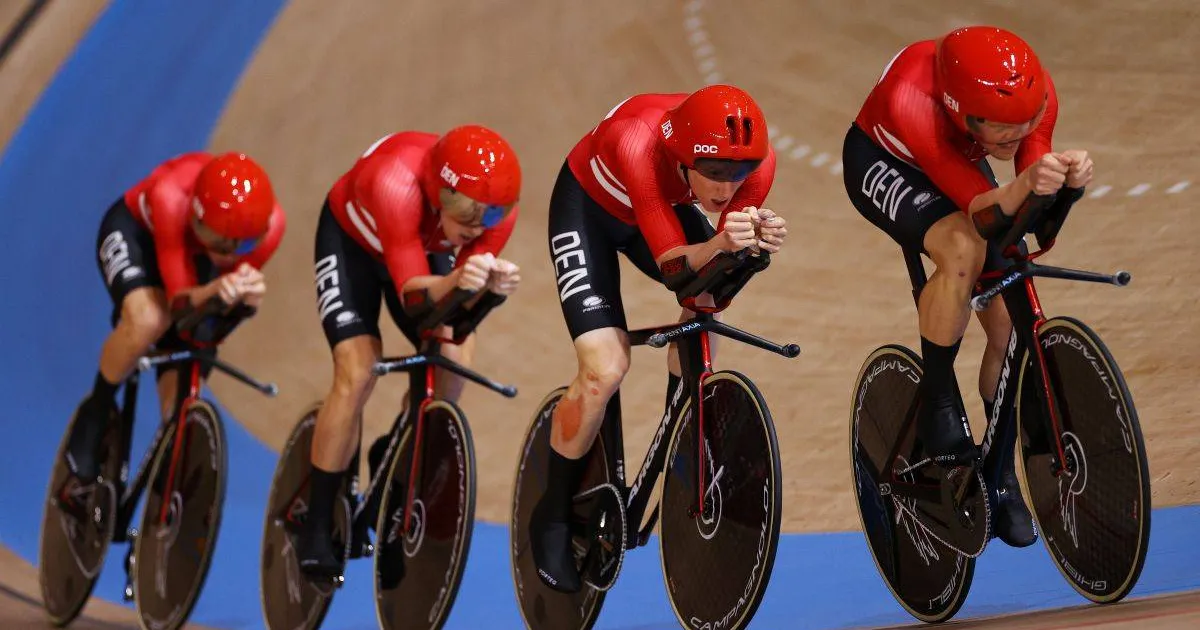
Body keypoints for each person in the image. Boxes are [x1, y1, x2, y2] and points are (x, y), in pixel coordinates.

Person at [840, 26, 1094, 548]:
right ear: (962, 109)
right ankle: (936, 397)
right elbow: (980, 213)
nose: (1016, 134)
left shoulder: (1034, 99)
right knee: (961, 251)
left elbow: (1026, 216)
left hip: (957, 154)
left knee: (1006, 318)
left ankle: (998, 470)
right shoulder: (914, 94)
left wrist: (1062, 188)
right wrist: (1019, 188)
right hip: (888, 159)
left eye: (1025, 123)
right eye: (1001, 127)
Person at [531, 84, 787, 593]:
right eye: (712, 172)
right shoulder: (638, 143)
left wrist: (752, 251)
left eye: (736, 174)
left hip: (656, 211)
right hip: (589, 211)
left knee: (707, 305)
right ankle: (552, 514)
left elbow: (711, 285)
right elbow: (674, 268)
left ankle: (682, 434)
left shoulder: (757, 163)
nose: (725, 187)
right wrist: (721, 244)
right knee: (604, 366)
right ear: (682, 155)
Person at [296, 124, 523, 577]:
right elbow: (415, 300)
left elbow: (451, 322)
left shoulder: (495, 215)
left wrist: (488, 292)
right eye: (467, 216)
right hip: (354, 248)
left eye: (489, 219)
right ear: (439, 194)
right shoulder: (395, 184)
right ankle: (316, 521)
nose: (479, 229)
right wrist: (460, 282)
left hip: (418, 250)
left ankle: (395, 457)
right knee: (358, 370)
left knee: (453, 363)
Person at [67, 152, 286, 482]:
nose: (226, 253)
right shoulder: (171, 197)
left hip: (194, 266)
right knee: (149, 321)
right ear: (197, 219)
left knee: (183, 401)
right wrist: (215, 291)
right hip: (139, 237)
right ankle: (95, 413)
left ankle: (166, 468)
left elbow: (205, 330)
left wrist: (242, 306)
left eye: (240, 246)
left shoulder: (271, 228)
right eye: (218, 240)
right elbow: (180, 306)